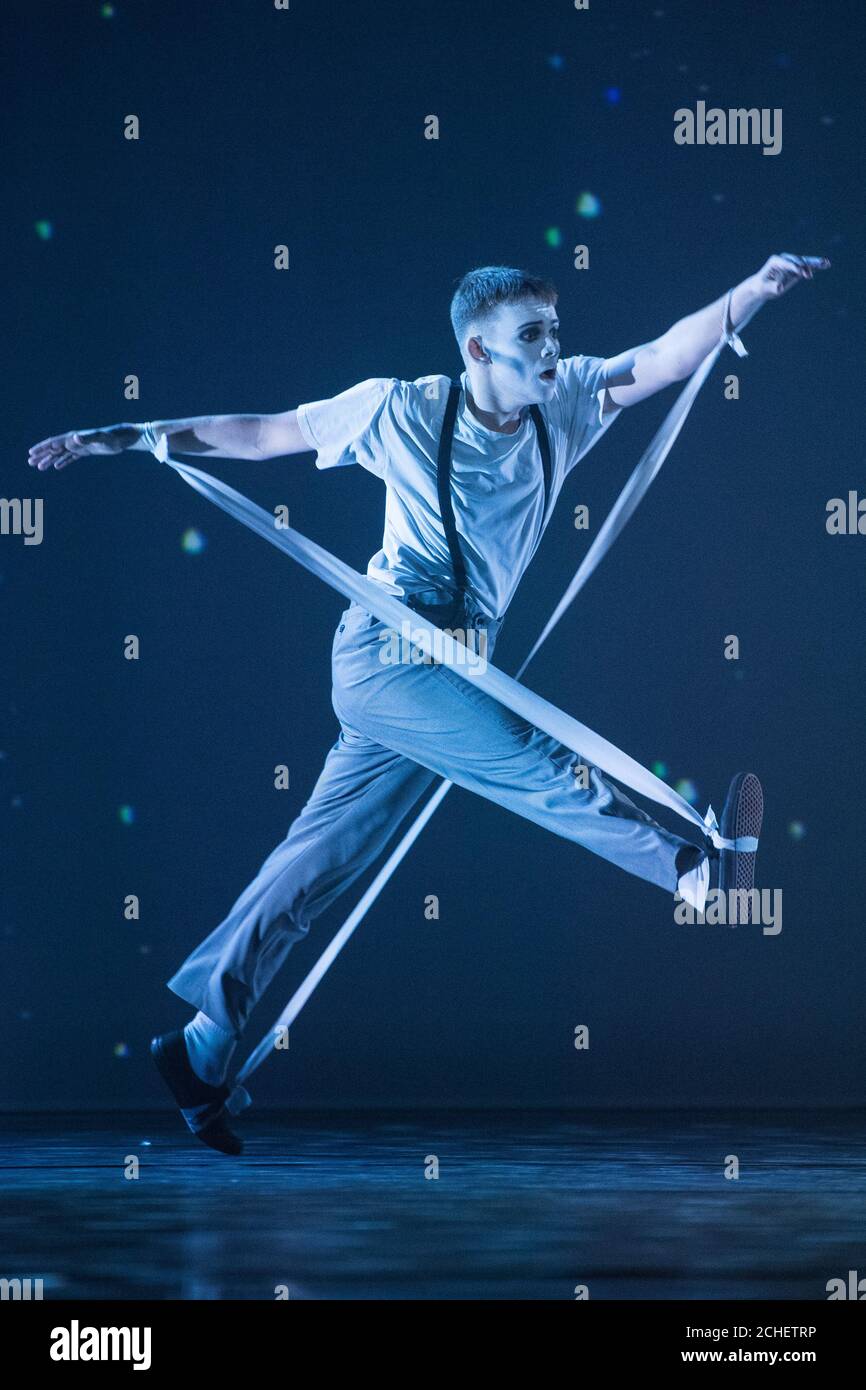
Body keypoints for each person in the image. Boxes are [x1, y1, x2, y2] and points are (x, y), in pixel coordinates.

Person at [29, 254, 829, 1155]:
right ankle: (692, 872)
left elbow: (662, 357)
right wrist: (137, 435)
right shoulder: (400, 407)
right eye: (533, 337)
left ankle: (201, 1048)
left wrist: (749, 294)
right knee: (528, 758)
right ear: (478, 348)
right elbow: (264, 434)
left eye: (555, 333)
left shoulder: (561, 406)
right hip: (387, 657)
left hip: (460, 665)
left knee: (311, 866)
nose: (554, 351)